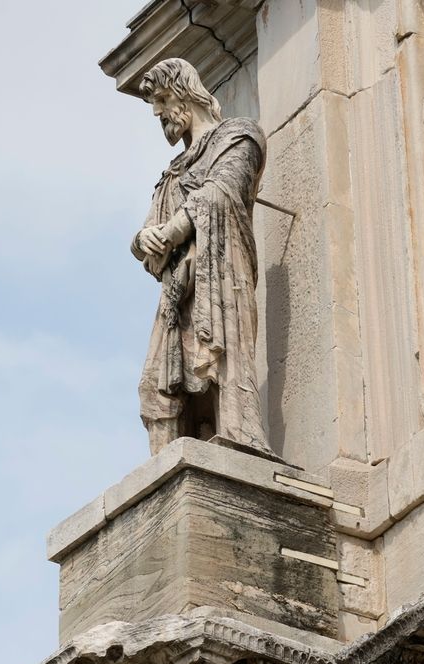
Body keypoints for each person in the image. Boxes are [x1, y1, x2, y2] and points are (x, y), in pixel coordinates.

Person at [130, 58, 271, 455]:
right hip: (177, 292)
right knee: (155, 388)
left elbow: (220, 190)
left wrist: (172, 232)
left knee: (221, 367)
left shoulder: (239, 137)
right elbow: (146, 230)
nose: (157, 112)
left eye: (160, 99)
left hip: (222, 278)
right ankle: (169, 465)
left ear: (184, 93)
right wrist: (145, 240)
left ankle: (236, 444)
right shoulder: (174, 170)